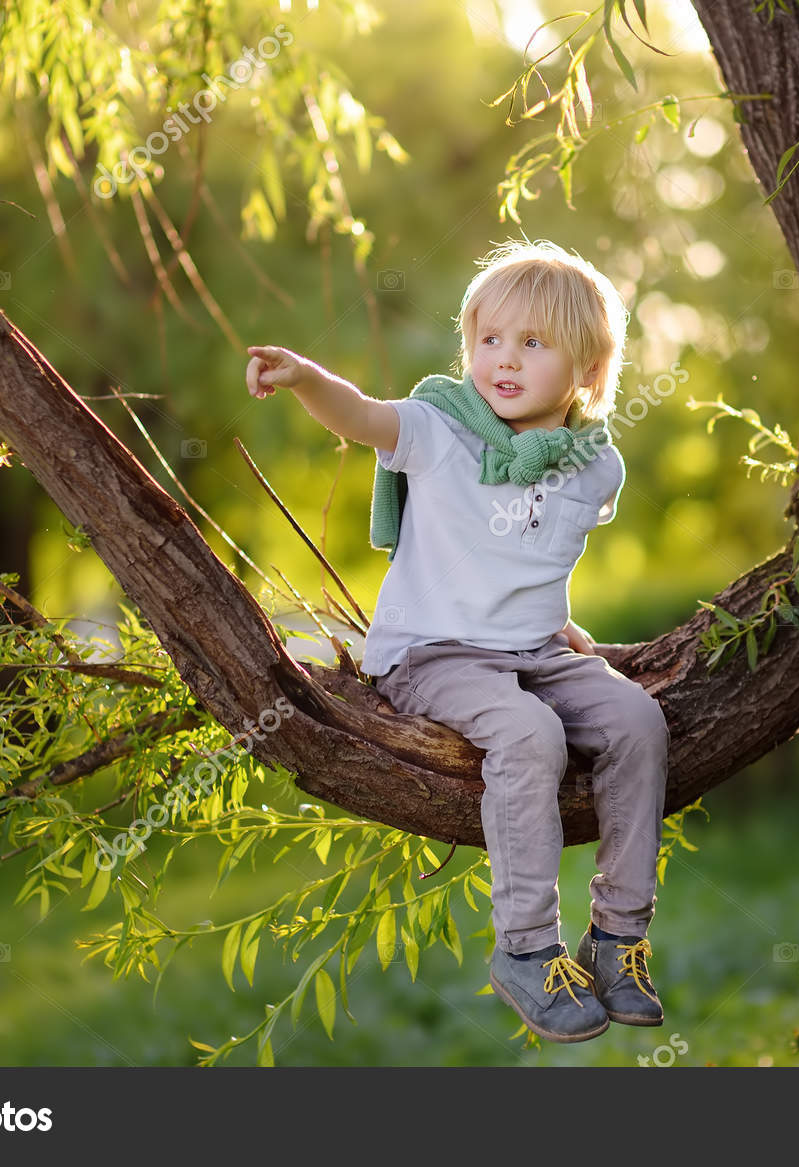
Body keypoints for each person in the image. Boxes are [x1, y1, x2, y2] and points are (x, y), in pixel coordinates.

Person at [245, 238, 669, 1044]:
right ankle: (527, 947)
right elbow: (364, 415)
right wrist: (306, 379)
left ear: (586, 369)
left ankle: (618, 936)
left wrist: (557, 623)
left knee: (638, 723)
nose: (503, 360)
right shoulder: (442, 427)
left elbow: (528, 551)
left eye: (533, 343)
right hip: (435, 653)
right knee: (529, 733)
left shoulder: (593, 465)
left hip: (538, 649)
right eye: (490, 340)